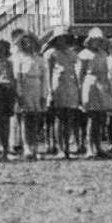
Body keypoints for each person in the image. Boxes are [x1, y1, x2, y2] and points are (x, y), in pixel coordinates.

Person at [77, 28, 112, 158]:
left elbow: (107, 72)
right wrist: (80, 91)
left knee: (101, 118)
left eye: (99, 40)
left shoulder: (103, 54)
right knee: (92, 117)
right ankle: (89, 147)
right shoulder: (83, 54)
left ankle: (98, 146)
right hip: (90, 84)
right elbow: (80, 74)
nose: (97, 42)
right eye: (95, 40)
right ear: (90, 41)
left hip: (102, 84)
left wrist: (108, 87)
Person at [12, 32, 48, 161]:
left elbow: (44, 78)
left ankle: (35, 146)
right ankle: (26, 146)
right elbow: (18, 78)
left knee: (36, 119)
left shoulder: (39, 59)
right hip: (25, 87)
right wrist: (19, 94)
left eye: (31, 42)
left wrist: (44, 95)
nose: (29, 45)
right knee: (25, 119)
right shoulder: (18, 58)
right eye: (26, 42)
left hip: (37, 87)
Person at [46, 27, 79, 159]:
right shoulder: (51, 53)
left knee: (69, 118)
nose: (62, 41)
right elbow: (48, 73)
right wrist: (49, 92)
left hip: (70, 86)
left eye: (64, 38)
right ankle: (60, 148)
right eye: (59, 38)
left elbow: (75, 72)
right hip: (57, 86)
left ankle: (67, 148)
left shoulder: (71, 54)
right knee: (59, 119)